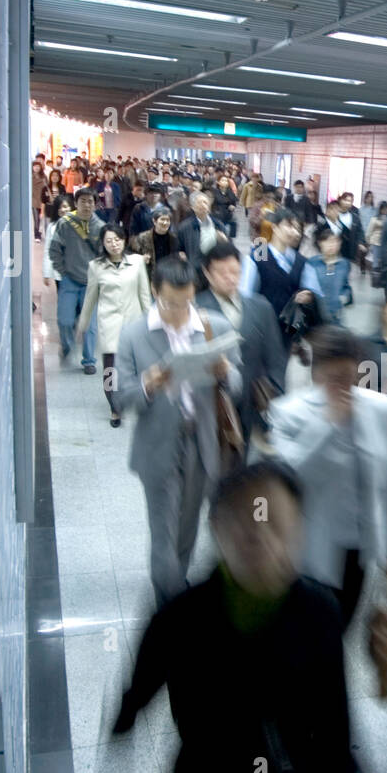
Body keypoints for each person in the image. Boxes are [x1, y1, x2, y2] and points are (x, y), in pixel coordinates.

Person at [112, 460, 354, 773]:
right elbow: (152, 662)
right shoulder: (183, 615)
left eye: (276, 524)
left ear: (299, 531)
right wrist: (131, 705)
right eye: (245, 525)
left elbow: (333, 706)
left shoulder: (318, 613)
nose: (261, 539)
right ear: (216, 528)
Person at [115, 256, 242, 609]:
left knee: (186, 533)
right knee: (163, 536)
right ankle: (170, 609)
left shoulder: (213, 325)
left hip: (202, 445)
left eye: (187, 301)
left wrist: (224, 373)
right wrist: (148, 383)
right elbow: (120, 396)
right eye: (171, 302)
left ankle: (174, 594)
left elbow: (238, 384)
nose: (179, 309)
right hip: (157, 447)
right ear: (155, 292)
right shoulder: (134, 334)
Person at [269, 326, 387, 631]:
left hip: (358, 547)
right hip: (308, 547)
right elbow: (287, 476)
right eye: (332, 378)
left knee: (341, 624)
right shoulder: (289, 413)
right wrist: (327, 423)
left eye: (347, 376)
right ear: (316, 373)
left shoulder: (383, 410)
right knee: (306, 629)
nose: (341, 386)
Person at [197, 241, 288, 449]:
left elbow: (275, 357)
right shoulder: (196, 309)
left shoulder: (260, 307)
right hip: (211, 404)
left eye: (235, 272)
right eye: (222, 273)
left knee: (245, 462)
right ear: (207, 273)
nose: (230, 278)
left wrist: (276, 395)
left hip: (251, 402)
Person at [75, 223, 151, 427]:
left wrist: (150, 320)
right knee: (110, 370)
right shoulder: (95, 266)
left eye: (117, 239)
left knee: (135, 367)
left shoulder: (136, 262)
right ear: (103, 243)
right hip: (109, 324)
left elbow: (144, 294)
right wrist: (82, 325)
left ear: (124, 240)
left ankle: (135, 398)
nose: (114, 244)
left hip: (134, 323)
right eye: (109, 241)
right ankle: (114, 407)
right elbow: (90, 299)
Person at [240, 210, 325, 345]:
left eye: (298, 229)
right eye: (289, 226)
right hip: (260, 331)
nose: (295, 232)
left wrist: (310, 296)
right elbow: (245, 295)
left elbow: (316, 293)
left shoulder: (301, 261)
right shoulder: (260, 253)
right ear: (275, 227)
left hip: (287, 334)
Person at [49, 187, 105, 374]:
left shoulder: (100, 227)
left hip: (91, 283)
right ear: (76, 203)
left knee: (89, 325)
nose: (87, 205)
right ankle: (66, 345)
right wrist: (62, 271)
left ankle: (89, 360)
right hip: (69, 281)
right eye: (83, 201)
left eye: (91, 202)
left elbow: (106, 255)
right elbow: (54, 249)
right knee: (65, 321)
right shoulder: (65, 224)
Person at [307, 226, 352, 319]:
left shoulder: (344, 264)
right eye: (327, 241)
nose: (331, 245)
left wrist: (345, 296)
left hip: (336, 315)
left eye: (335, 241)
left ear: (339, 243)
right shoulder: (312, 263)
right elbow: (306, 287)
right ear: (320, 243)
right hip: (316, 315)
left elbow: (345, 285)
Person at [130, 204, 177, 282]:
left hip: (169, 277)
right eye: (162, 219)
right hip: (148, 277)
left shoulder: (174, 238)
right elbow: (131, 255)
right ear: (154, 221)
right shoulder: (142, 237)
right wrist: (141, 259)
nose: (165, 223)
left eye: (167, 220)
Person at [41, 194, 72, 291]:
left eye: (66, 206)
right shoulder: (52, 227)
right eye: (60, 207)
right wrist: (46, 273)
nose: (63, 210)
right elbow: (48, 250)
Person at [366, 201, 387, 287]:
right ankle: (376, 280)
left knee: (385, 263)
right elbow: (369, 231)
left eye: (386, 209)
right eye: (383, 209)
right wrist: (368, 243)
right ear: (380, 209)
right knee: (376, 262)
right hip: (376, 243)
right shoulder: (375, 218)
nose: (385, 210)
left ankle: (384, 280)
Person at [212, 173, 239, 238]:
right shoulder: (215, 191)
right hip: (218, 215)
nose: (224, 182)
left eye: (226, 181)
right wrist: (228, 203)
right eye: (222, 180)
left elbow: (234, 201)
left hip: (228, 215)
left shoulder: (230, 192)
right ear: (218, 182)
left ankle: (231, 238)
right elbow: (219, 200)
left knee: (234, 223)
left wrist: (233, 206)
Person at [31, 161, 48, 240]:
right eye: (35, 166)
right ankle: (36, 235)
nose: (36, 168)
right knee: (36, 219)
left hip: (43, 201)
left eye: (38, 166)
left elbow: (47, 187)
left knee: (43, 219)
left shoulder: (44, 177)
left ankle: (41, 232)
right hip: (34, 200)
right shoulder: (30, 177)